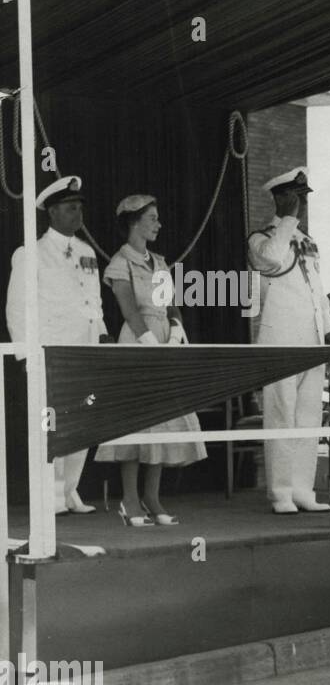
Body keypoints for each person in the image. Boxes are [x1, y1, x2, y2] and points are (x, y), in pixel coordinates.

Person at [93, 195, 207, 526]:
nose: (158, 224)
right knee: (136, 421)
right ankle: (129, 500)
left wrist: (174, 333)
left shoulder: (159, 262)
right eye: (152, 218)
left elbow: (171, 305)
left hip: (163, 341)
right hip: (137, 341)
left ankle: (152, 497)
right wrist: (148, 342)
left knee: (163, 419)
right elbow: (128, 308)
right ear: (134, 222)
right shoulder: (120, 262)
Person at [6, 175, 107, 515]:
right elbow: (17, 309)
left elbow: (94, 301)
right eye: (69, 208)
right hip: (51, 353)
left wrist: (103, 334)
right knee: (51, 424)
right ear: (51, 212)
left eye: (79, 207)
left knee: (81, 423)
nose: (77, 214)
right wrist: (26, 355)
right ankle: (50, 494)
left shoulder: (86, 251)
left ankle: (70, 491)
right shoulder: (31, 253)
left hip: (84, 351)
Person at [247, 167, 330, 514]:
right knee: (281, 414)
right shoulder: (262, 238)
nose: (301, 204)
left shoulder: (308, 242)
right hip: (280, 339)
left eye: (303, 198)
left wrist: (328, 329)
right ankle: (281, 492)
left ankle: (302, 488)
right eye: (295, 197)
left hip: (312, 339)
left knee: (309, 415)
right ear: (280, 198)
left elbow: (319, 292)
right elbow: (270, 258)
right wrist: (287, 221)